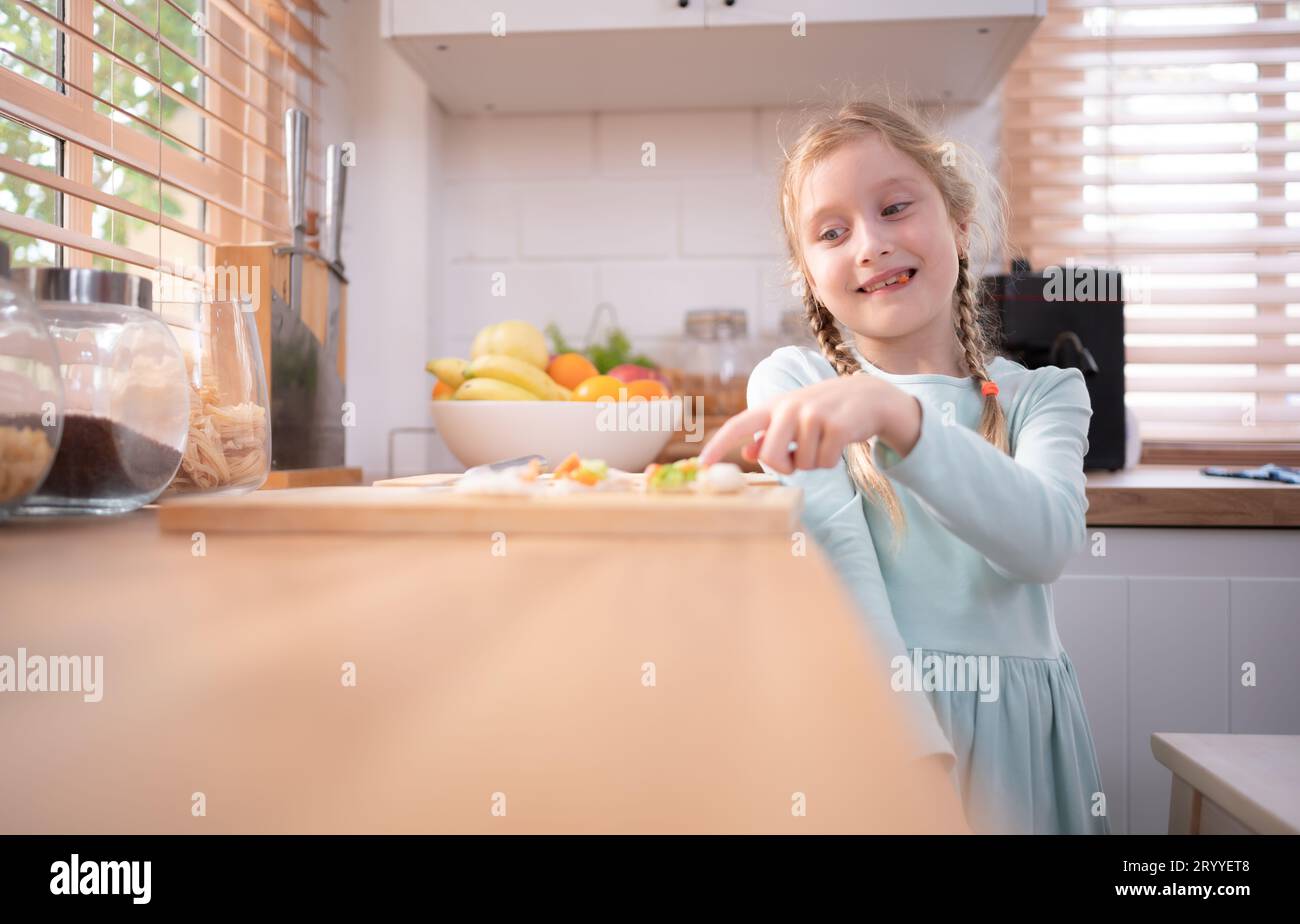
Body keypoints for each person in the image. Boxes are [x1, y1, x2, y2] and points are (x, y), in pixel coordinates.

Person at [699, 92, 1109, 835]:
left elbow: (1044, 541)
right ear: (808, 276)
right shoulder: (794, 386)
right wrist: (911, 763)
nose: (869, 244)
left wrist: (898, 416)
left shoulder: (1046, 394)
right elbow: (842, 582)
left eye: (894, 208)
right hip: (876, 725)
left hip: (1023, 744)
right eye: (832, 231)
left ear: (958, 224)